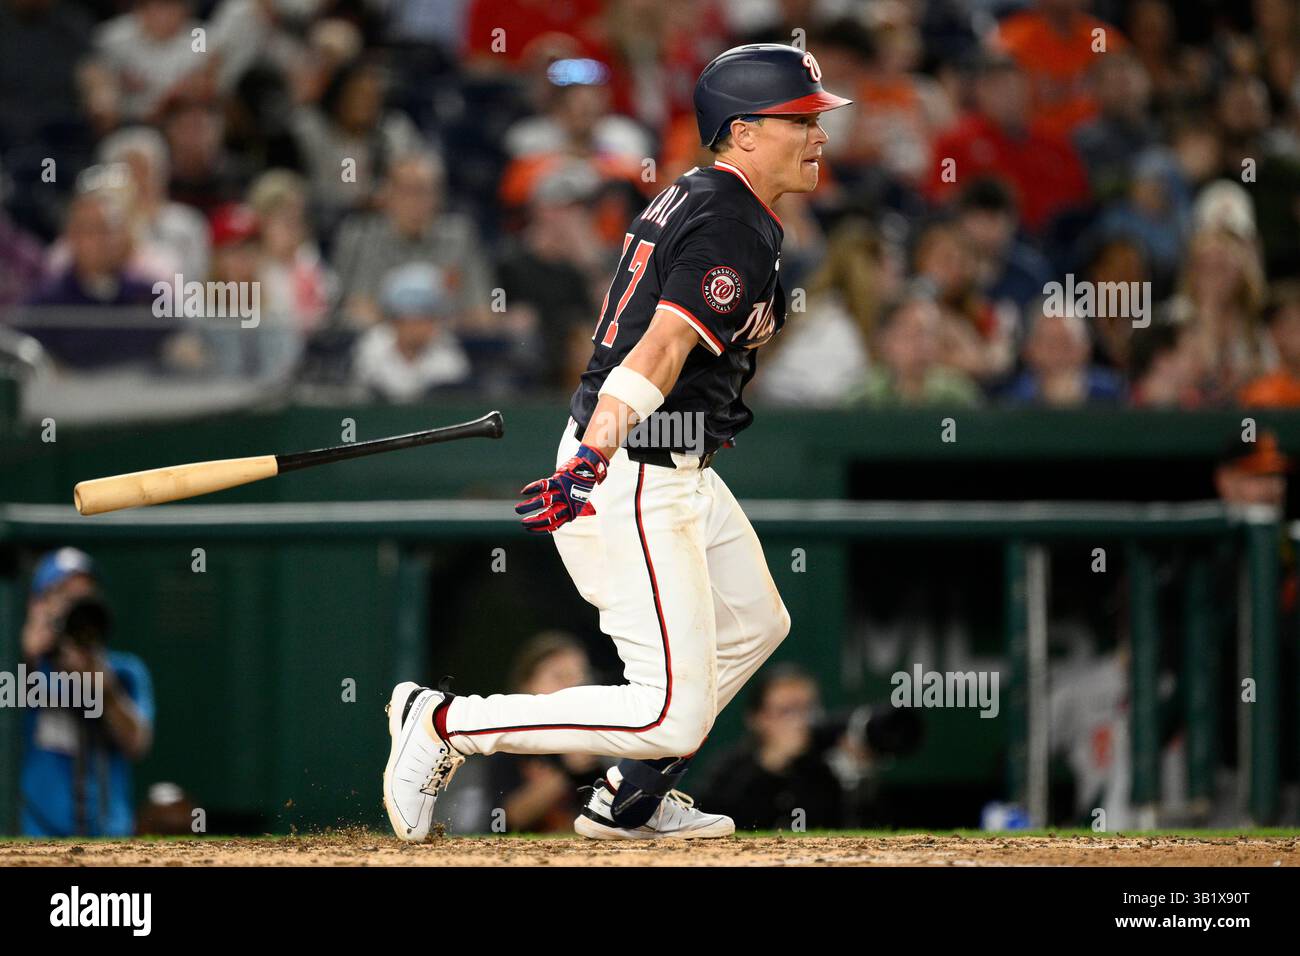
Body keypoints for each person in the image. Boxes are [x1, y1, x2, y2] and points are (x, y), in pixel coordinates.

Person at [380, 43, 852, 842]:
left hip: (671, 464)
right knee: (670, 712)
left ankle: (627, 799)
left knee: (757, 623)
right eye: (798, 121)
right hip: (632, 466)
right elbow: (660, 348)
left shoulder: (715, 201)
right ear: (741, 132)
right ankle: (445, 723)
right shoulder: (729, 217)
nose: (818, 135)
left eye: (817, 119)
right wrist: (596, 455)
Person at [19, 548, 154, 837]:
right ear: (37, 605)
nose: (75, 608)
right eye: (64, 597)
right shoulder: (20, 670)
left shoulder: (124, 672)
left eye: (84, 597)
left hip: (109, 838)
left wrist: (102, 688)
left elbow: (137, 743)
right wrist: (25, 661)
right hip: (34, 839)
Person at [440, 632, 602, 834]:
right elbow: (501, 821)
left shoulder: (600, 743)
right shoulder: (507, 742)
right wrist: (567, 772)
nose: (572, 687)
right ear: (527, 685)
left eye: (580, 678)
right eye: (560, 677)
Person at [694, 664, 844, 831]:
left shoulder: (823, 771)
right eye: (786, 712)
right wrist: (771, 765)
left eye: (807, 710)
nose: (799, 721)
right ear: (758, 718)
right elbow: (713, 819)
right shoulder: (730, 769)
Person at [351, 262, 471, 402]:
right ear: (395, 321)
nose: (421, 327)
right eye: (413, 320)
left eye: (428, 318)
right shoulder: (372, 347)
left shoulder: (447, 352)